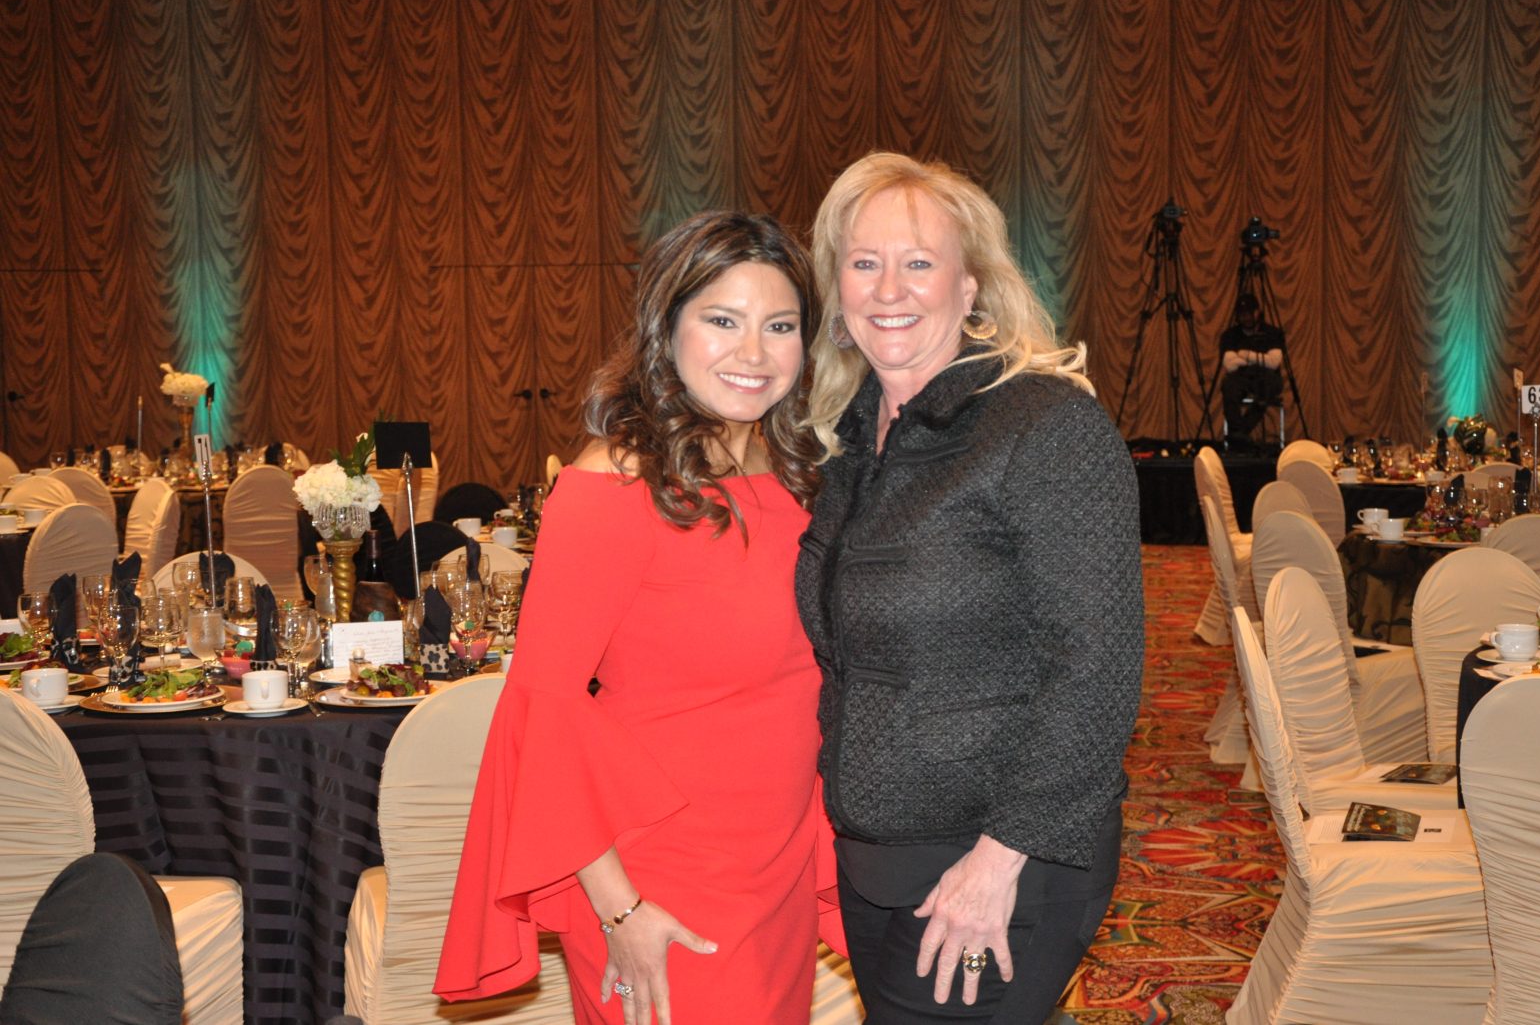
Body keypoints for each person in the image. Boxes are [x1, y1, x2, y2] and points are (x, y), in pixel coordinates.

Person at [434, 211, 841, 1024]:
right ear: (668, 328)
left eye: (780, 325)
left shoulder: (791, 469)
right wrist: (620, 911)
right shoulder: (615, 484)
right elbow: (541, 711)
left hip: (779, 857)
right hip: (663, 880)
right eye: (722, 320)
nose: (754, 352)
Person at [796, 152, 1143, 1023]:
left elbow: (1097, 667)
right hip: (877, 858)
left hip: (1000, 857)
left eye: (919, 262)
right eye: (864, 262)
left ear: (973, 286)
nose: (889, 288)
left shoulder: (1044, 423)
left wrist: (999, 857)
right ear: (836, 291)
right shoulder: (845, 442)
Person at [1218, 292, 1285, 447]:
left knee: (1267, 388)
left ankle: (1239, 433)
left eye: (1249, 313)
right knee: (1229, 386)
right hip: (1241, 376)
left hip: (1268, 376)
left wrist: (1244, 354)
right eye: (1242, 315)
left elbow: (1274, 362)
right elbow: (1229, 364)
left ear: (1257, 312)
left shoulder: (1272, 333)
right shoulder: (1230, 335)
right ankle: (1238, 432)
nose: (1246, 318)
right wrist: (1260, 358)